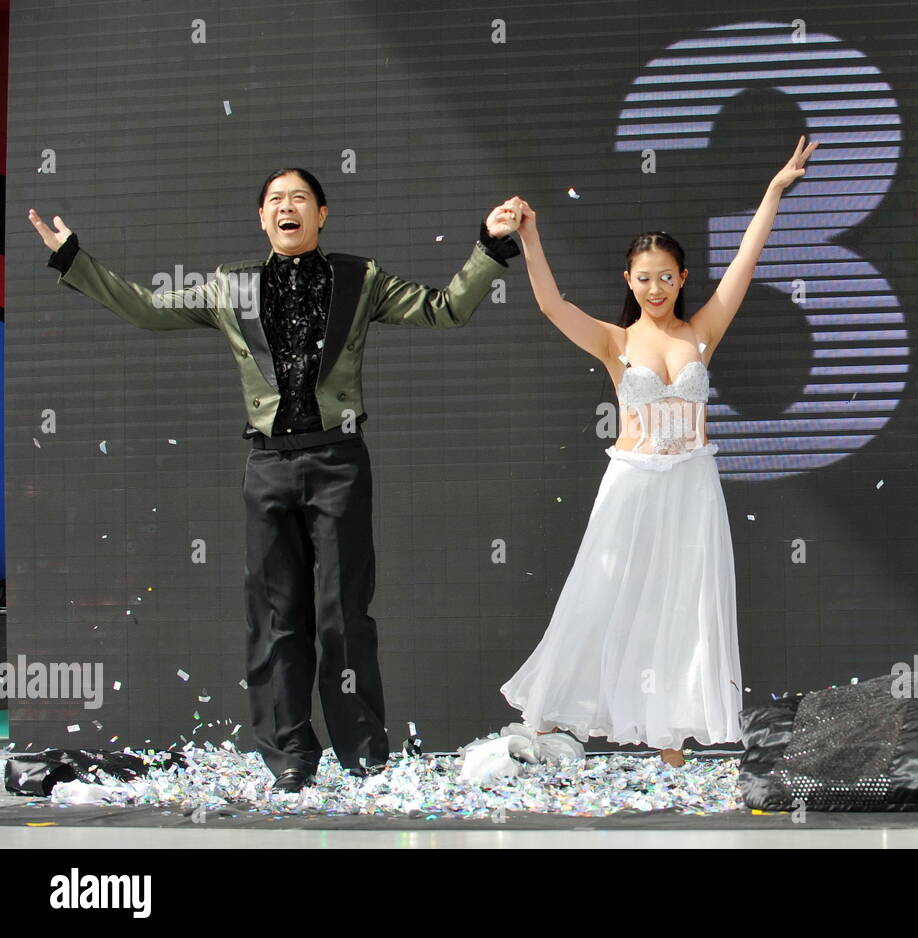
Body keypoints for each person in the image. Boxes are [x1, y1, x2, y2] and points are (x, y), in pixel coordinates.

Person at [29, 171, 524, 792]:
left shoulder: (359, 278)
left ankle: (364, 754)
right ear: (262, 218)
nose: (286, 208)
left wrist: (489, 245)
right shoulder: (229, 284)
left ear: (322, 213)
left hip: (339, 460)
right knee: (275, 618)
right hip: (267, 465)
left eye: (299, 200)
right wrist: (73, 258)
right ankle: (290, 754)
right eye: (275, 201)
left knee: (345, 613)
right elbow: (148, 309)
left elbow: (444, 309)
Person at [500, 137, 818, 766]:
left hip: (693, 482)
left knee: (684, 605)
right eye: (643, 278)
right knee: (604, 591)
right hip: (634, 481)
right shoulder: (614, 340)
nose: (655, 288)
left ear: (683, 277)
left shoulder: (702, 331)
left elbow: (745, 267)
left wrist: (773, 193)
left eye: (666, 277)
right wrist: (529, 238)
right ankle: (549, 716)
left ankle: (669, 741)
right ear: (628, 280)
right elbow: (549, 304)